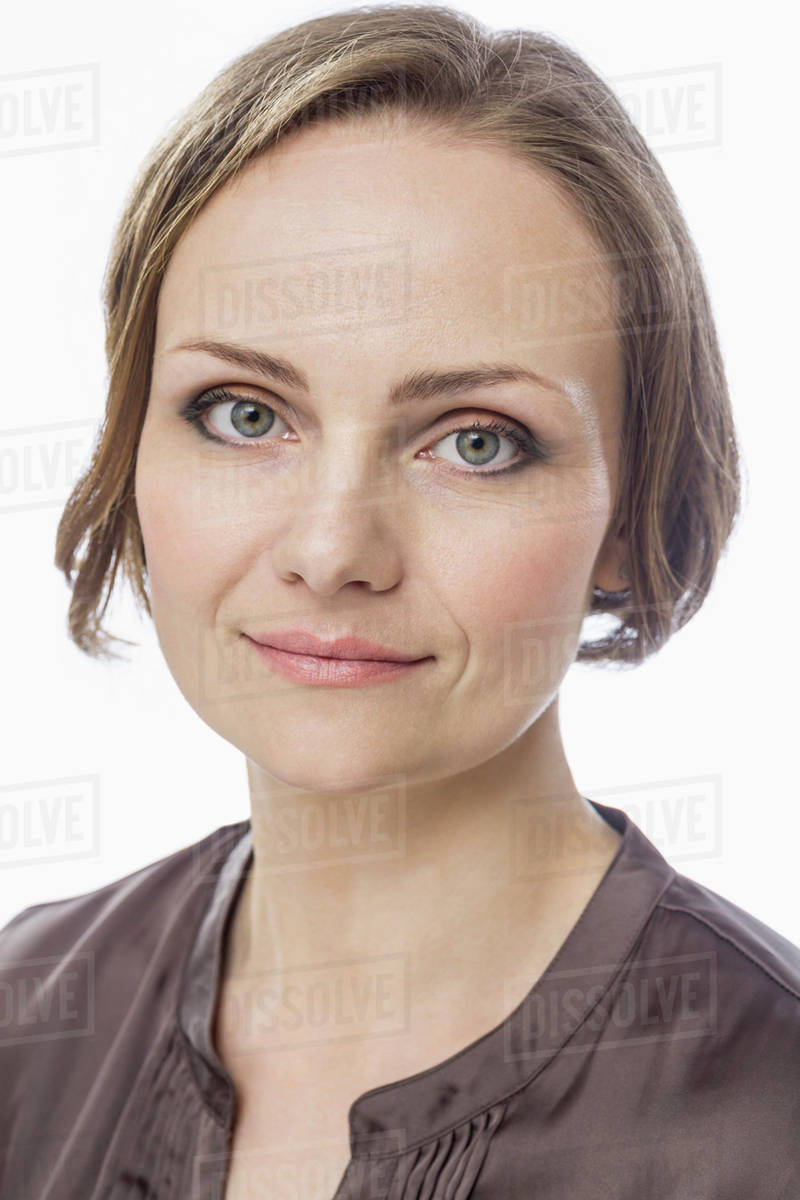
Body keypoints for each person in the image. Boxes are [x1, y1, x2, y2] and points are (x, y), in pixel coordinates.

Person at [2, 5, 798, 1198]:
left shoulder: (768, 1113)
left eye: (475, 441)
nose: (331, 552)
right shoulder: (27, 1018)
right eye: (244, 414)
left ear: (633, 516)